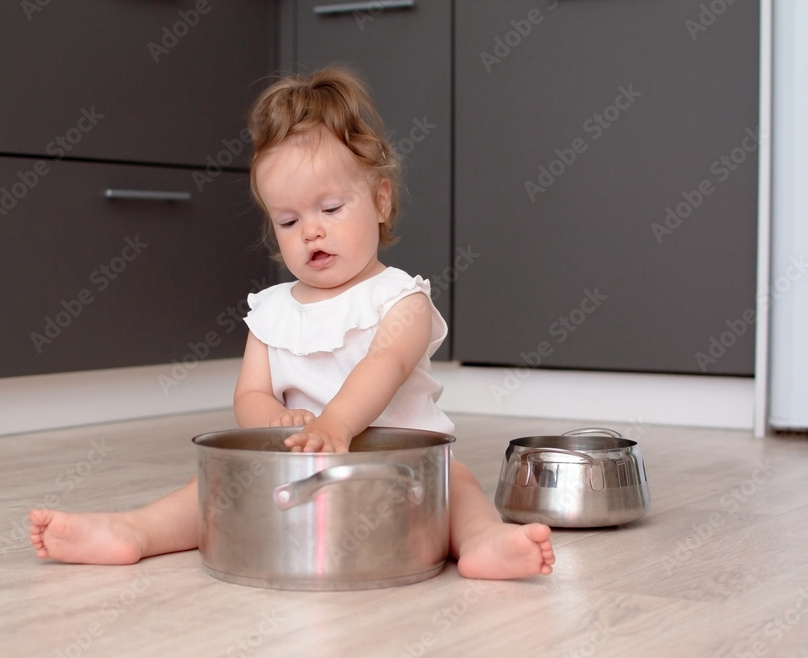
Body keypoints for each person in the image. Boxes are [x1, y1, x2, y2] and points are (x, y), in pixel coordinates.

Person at [29, 67, 555, 580]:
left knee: (457, 484)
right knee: (213, 491)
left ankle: (482, 541)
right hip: (297, 472)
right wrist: (273, 418)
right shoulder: (272, 311)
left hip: (400, 473)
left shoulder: (399, 297)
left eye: (329, 208)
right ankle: (133, 531)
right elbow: (250, 395)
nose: (311, 232)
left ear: (380, 200)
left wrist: (336, 425)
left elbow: (385, 362)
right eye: (288, 220)